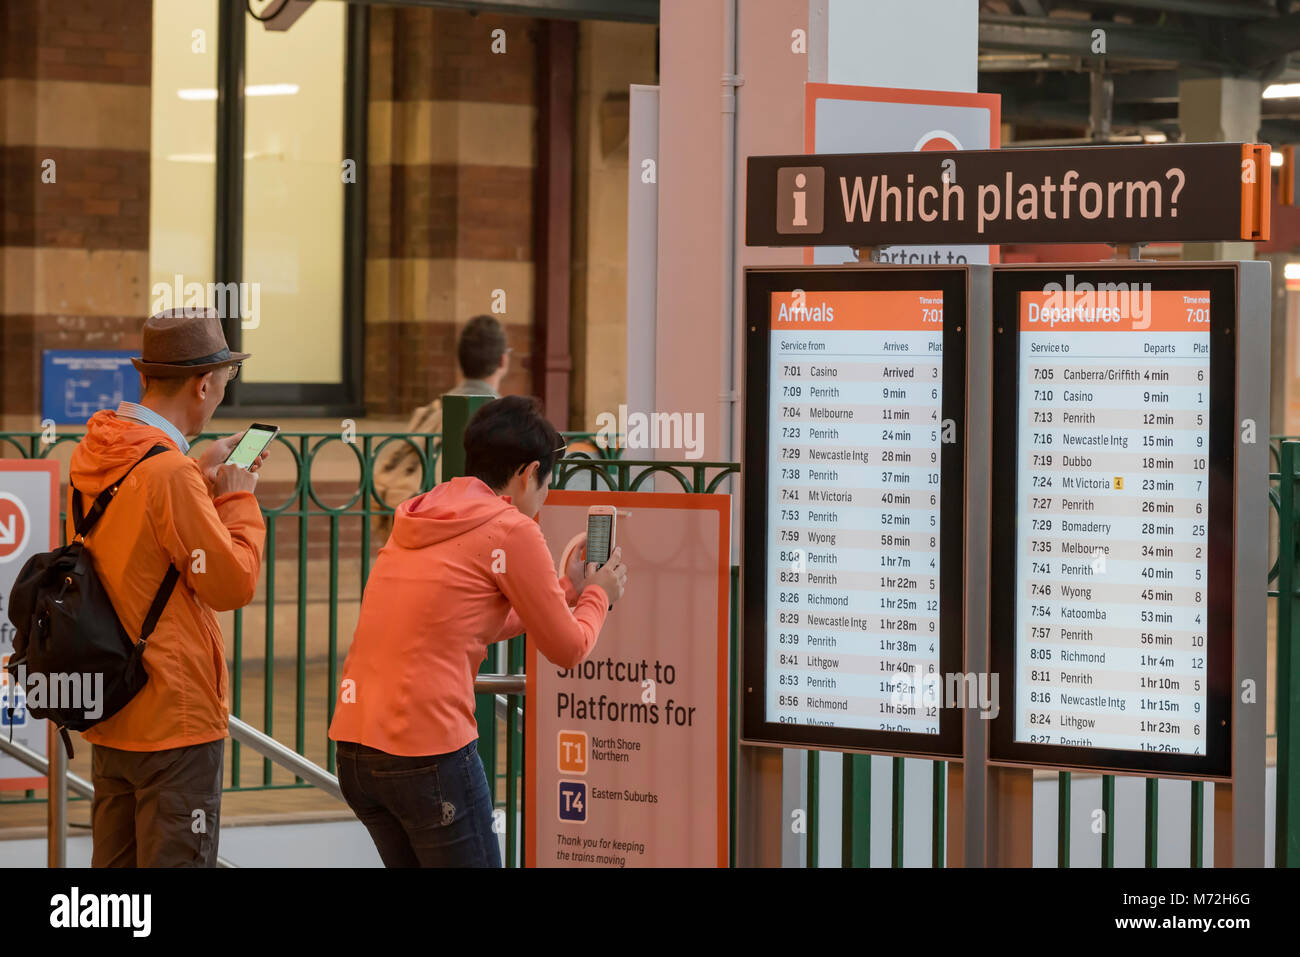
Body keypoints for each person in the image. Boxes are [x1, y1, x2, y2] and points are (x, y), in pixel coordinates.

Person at [330, 395, 629, 867]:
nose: (544, 498)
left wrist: (567, 590)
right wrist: (600, 595)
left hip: (357, 752)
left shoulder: (421, 511)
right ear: (529, 473)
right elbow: (569, 648)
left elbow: (463, 621)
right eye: (547, 484)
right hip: (427, 754)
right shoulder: (512, 528)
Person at [70, 308, 268, 867]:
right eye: (224, 386)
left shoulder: (96, 452)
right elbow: (231, 584)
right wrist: (236, 497)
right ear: (204, 384)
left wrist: (198, 476)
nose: (220, 397)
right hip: (174, 720)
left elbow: (138, 545)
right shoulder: (168, 472)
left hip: (113, 709)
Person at [371, 315, 511, 533]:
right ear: (503, 360)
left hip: (414, 520)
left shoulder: (430, 412)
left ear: (461, 361)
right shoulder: (506, 419)